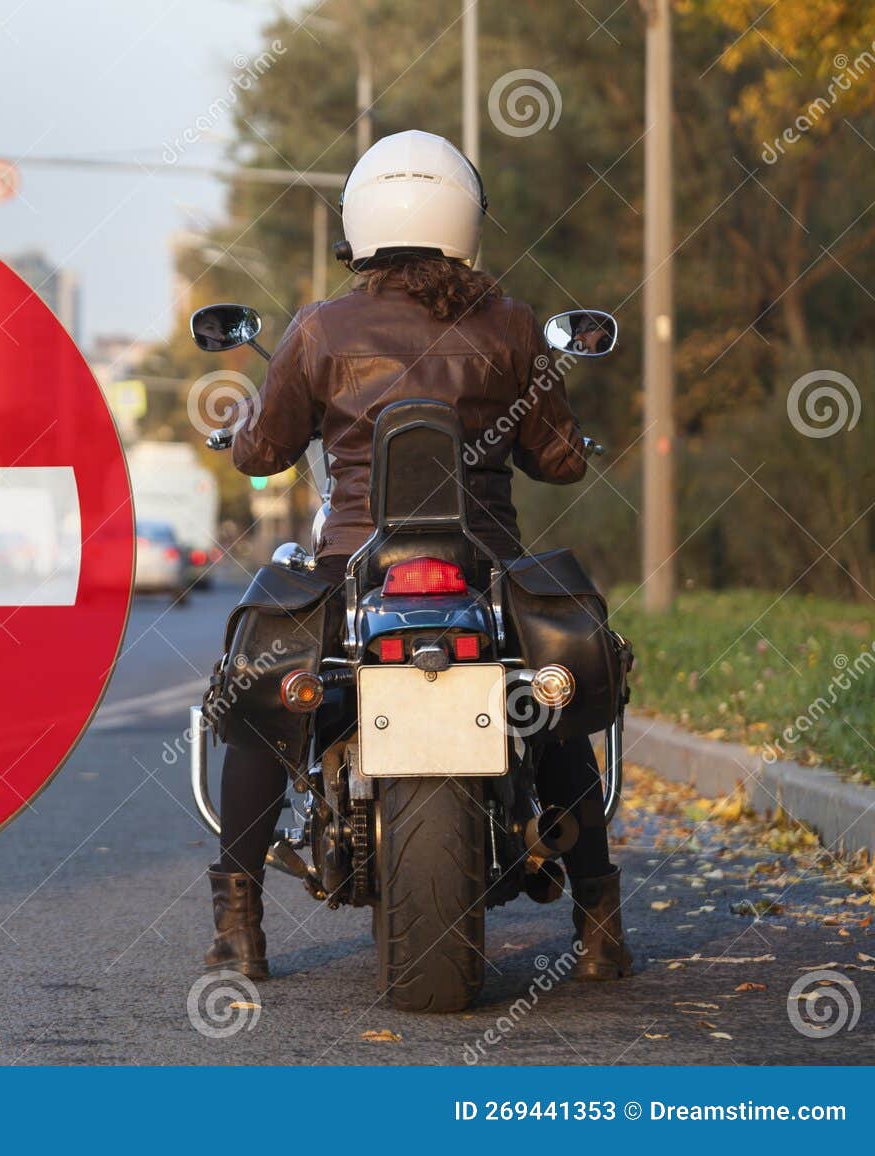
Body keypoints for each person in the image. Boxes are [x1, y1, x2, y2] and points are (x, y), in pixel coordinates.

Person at [204, 130, 632, 986]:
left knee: (263, 697)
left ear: (362, 224)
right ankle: (599, 924)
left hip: (354, 569)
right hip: (485, 568)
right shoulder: (512, 325)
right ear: (465, 221)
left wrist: (246, 431)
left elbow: (262, 452)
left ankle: (239, 923)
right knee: (547, 714)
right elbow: (557, 460)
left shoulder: (320, 328)